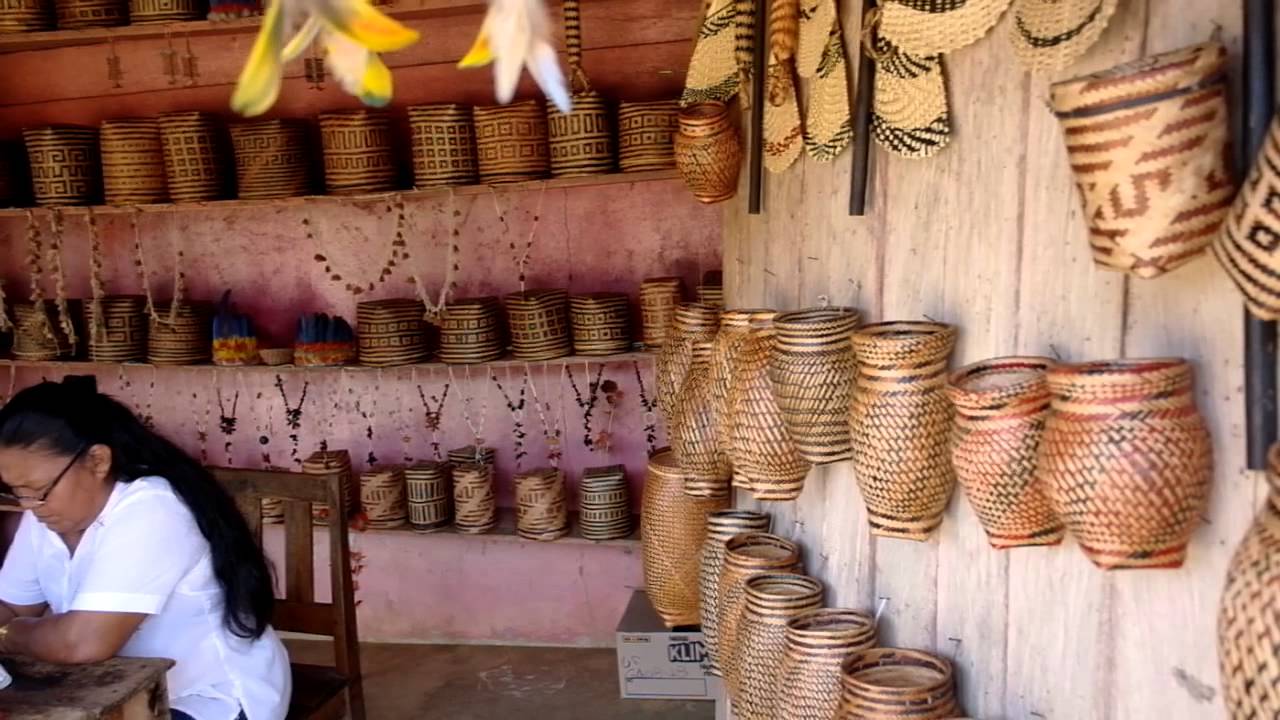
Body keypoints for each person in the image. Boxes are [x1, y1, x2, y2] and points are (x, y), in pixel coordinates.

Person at [0, 376, 290, 720]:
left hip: (207, 697)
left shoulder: (153, 507)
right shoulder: (44, 511)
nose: (29, 504)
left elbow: (82, 643)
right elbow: (11, 604)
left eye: (38, 489)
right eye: (16, 491)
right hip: (112, 692)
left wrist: (9, 634)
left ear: (97, 461)